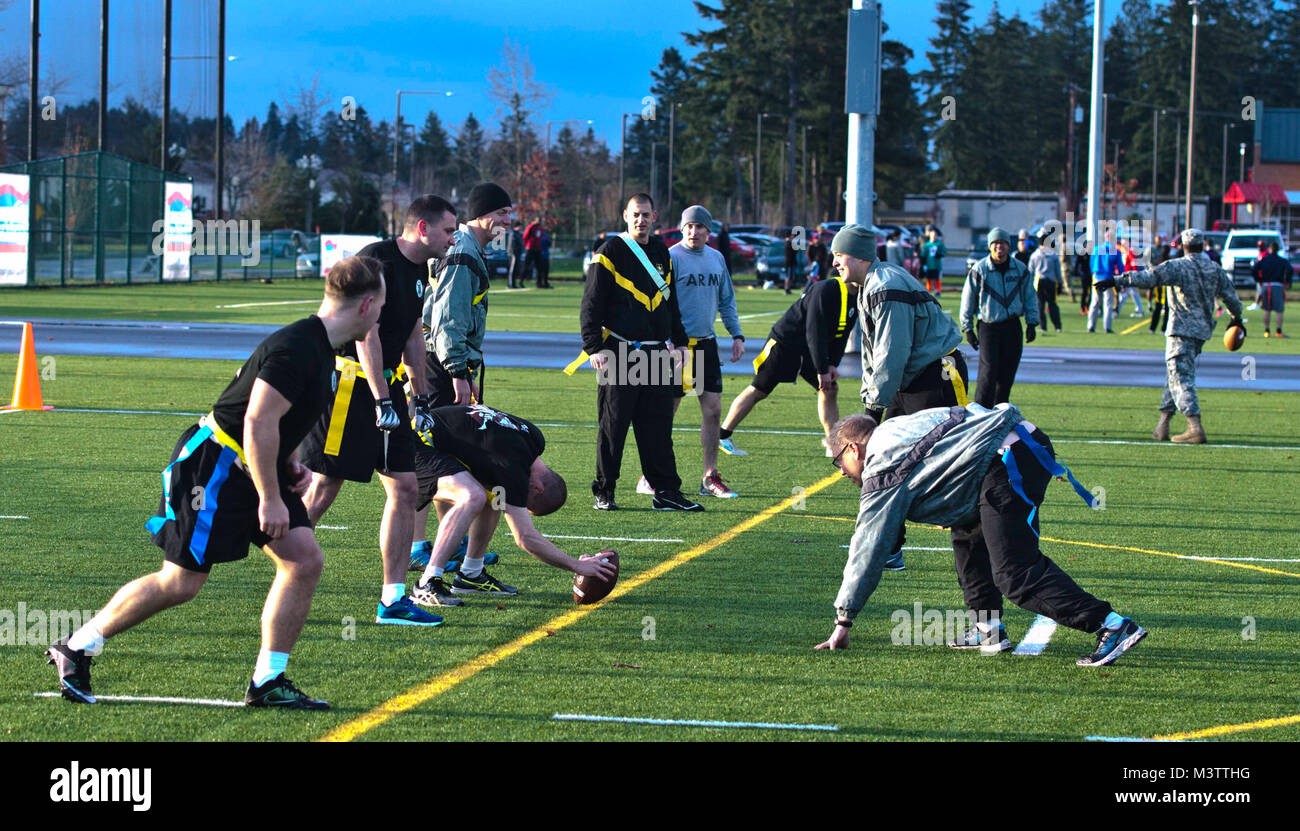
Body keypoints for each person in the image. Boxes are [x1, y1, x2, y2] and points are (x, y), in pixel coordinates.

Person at [46, 257, 387, 708]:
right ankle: (76, 647)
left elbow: (273, 425)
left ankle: (268, 682)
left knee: (303, 560)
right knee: (181, 583)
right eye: (382, 305)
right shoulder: (298, 347)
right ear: (367, 305)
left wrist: (285, 465)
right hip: (215, 467)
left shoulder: (325, 346)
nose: (382, 315)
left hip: (254, 464)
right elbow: (258, 419)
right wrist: (270, 497)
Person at [814, 408, 1148, 670]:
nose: (841, 471)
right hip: (1009, 450)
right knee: (967, 534)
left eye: (838, 459)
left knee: (1013, 572)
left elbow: (867, 546)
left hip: (1009, 460)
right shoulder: (895, 428)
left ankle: (1112, 624)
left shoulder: (880, 464)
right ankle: (987, 628)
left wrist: (844, 619)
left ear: (854, 448)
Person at [298, 196, 457, 628]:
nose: (452, 237)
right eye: (447, 230)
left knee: (406, 489)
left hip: (388, 389)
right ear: (422, 228)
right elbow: (365, 333)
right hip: (352, 387)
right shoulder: (375, 260)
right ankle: (289, 561)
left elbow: (410, 338)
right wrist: (382, 400)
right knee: (325, 486)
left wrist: (420, 399)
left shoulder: (421, 271)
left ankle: (392, 601)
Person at [407, 404, 617, 606]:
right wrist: (577, 565)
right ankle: (427, 583)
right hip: (412, 445)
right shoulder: (513, 468)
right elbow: (525, 538)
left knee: (494, 497)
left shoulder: (534, 439)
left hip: (429, 433)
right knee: (472, 496)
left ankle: (471, 574)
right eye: (527, 505)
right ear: (537, 490)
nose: (520, 506)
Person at [409, 183, 513, 576]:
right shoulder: (464, 250)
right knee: (430, 456)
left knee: (447, 454)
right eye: (502, 213)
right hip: (442, 367)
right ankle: (421, 548)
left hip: (443, 363)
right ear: (483, 214)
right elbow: (449, 319)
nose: (508, 221)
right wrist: (459, 372)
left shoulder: (468, 247)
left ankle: (447, 542)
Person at [576, 193, 701, 512]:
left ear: (655, 216)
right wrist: (594, 347)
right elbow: (591, 304)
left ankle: (667, 492)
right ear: (625, 216)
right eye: (635, 215)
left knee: (658, 427)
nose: (640, 220)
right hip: (618, 352)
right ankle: (604, 491)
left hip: (657, 353)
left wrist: (681, 341)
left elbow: (670, 302)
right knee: (613, 426)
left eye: (646, 215)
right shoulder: (610, 251)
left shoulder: (661, 250)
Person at [1094, 228, 1244, 443]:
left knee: (1181, 378)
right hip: (1201, 332)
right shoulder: (1214, 268)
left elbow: (1149, 277)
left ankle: (1195, 427)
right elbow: (1231, 297)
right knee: (1174, 375)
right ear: (1202, 245)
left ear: (1183, 245)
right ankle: (1163, 424)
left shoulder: (1178, 266)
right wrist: (1236, 318)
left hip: (1181, 329)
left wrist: (1117, 281)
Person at [718, 250, 859, 456]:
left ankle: (832, 443)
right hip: (785, 343)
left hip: (809, 349)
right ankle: (723, 436)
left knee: (829, 389)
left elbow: (843, 333)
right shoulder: (825, 289)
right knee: (759, 390)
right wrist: (822, 367)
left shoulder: (857, 297)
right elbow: (814, 331)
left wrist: (832, 365)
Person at [649, 204, 745, 499]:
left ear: (708, 231)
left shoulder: (716, 258)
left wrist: (736, 334)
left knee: (713, 410)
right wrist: (664, 338)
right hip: (676, 346)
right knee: (668, 412)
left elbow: (727, 300)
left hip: (706, 344)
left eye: (699, 226)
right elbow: (657, 302)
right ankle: (652, 474)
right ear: (682, 228)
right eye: (689, 226)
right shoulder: (670, 257)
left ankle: (709, 477)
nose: (694, 231)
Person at [960, 227, 1039, 408]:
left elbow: (1030, 296)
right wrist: (968, 328)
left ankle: (1000, 411)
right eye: (995, 244)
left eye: (1002, 244)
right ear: (989, 246)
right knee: (988, 372)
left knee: (1008, 373)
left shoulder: (1020, 270)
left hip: (1012, 325)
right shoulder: (980, 270)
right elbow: (968, 299)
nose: (999, 248)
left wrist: (1032, 322)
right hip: (988, 326)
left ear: (1008, 246)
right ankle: (981, 412)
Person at [1251, 240, 1290, 338]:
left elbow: (1254, 269)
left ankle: (1267, 331)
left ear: (1269, 249)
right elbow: (1290, 269)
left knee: (1266, 309)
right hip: (1277, 285)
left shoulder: (1264, 260)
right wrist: (1287, 281)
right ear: (1278, 250)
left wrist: (1259, 280)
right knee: (1279, 310)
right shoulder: (1282, 260)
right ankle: (1278, 331)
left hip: (1265, 285)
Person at [1028, 230, 1063, 333]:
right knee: (1052, 304)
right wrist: (1060, 283)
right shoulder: (1053, 255)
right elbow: (1058, 271)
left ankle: (1043, 327)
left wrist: (1029, 284)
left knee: (1040, 305)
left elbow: (1030, 271)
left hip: (1039, 282)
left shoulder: (1035, 255)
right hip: (1050, 282)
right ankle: (1057, 326)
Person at [1088, 230, 1122, 333]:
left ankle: (1091, 326)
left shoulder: (1097, 249)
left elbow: (1091, 263)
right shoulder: (1116, 251)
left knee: (1095, 301)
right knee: (1108, 302)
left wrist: (1093, 273)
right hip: (1108, 277)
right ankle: (1107, 326)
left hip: (1097, 276)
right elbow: (1120, 268)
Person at [1114, 235, 1145, 318]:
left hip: (1130, 276)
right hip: (1126, 276)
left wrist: (1134, 275)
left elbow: (1134, 265)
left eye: (1124, 243)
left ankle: (1116, 311)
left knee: (1126, 294)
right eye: (1122, 243)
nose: (1122, 245)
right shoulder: (1124, 252)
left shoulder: (1131, 252)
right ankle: (1139, 310)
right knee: (1131, 293)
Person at [921, 226, 946, 296]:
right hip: (929, 265)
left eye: (935, 235)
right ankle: (928, 291)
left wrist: (940, 254)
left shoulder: (939, 244)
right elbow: (924, 255)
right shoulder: (927, 245)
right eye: (933, 235)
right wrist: (924, 264)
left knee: (937, 279)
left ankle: (937, 291)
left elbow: (944, 252)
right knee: (929, 279)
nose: (934, 237)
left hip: (937, 265)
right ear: (930, 236)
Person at [506, 220, 525, 289]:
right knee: (512, 269)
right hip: (513, 254)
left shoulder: (518, 234)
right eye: (520, 226)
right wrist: (513, 253)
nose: (521, 228)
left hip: (518, 254)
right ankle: (510, 284)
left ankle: (514, 284)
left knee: (516, 269)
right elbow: (512, 245)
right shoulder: (513, 234)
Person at [783, 230, 798, 294]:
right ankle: (787, 289)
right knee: (788, 277)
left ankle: (788, 289)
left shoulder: (789, 243)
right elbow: (795, 251)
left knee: (790, 276)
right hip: (789, 263)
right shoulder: (789, 243)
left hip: (790, 263)